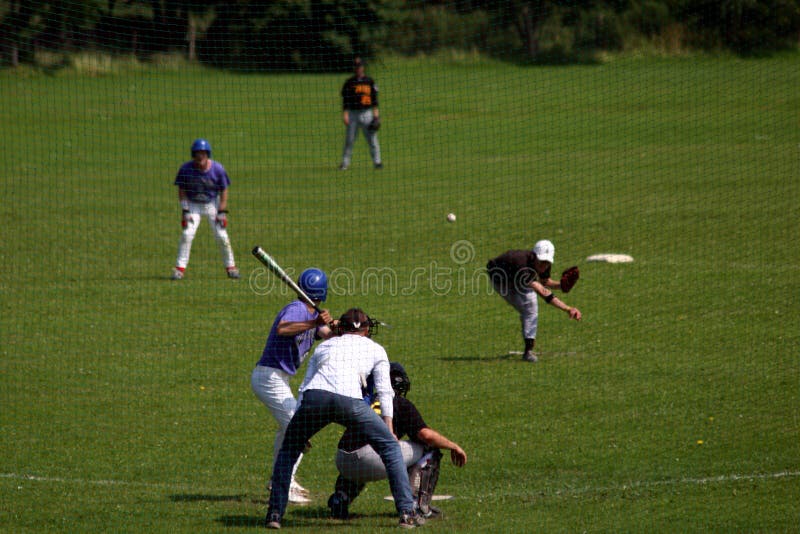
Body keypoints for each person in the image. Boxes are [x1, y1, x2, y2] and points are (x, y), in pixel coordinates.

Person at [264, 308, 424, 529]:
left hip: (315, 399)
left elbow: (304, 387)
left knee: (289, 451)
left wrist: (298, 425)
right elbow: (385, 391)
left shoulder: (325, 346)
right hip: (350, 402)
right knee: (390, 448)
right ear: (366, 329)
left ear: (342, 328)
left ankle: (274, 514)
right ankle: (407, 513)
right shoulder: (376, 349)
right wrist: (388, 427)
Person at [328, 362, 467, 521]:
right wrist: (453, 446)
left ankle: (340, 499)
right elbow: (426, 435)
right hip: (369, 460)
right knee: (430, 449)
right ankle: (417, 505)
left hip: (342, 460)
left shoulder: (366, 402)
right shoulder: (399, 403)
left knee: (357, 451)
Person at [251, 268, 334, 504]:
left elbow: (327, 333)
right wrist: (313, 322)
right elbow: (283, 328)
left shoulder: (310, 313)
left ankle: (279, 479)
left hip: (278, 379)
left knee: (288, 430)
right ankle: (283, 483)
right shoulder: (298, 309)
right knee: (299, 431)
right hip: (268, 378)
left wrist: (342, 326)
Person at [487, 239, 582, 363]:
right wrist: (567, 308)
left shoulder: (543, 263)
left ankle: (528, 351)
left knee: (531, 307)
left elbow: (545, 282)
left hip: (516, 276)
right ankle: (528, 352)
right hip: (501, 280)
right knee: (529, 307)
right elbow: (543, 292)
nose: (544, 265)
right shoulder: (522, 265)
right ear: (534, 256)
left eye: (547, 262)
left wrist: (561, 285)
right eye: (542, 261)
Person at [171, 138, 239, 280]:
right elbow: (181, 189)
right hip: (193, 204)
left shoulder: (217, 169)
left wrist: (221, 211)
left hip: (211, 204)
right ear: (193, 155)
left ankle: (231, 267)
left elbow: (224, 189)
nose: (200, 157)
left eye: (202, 153)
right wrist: (185, 210)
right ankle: (179, 269)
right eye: (197, 154)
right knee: (187, 235)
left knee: (222, 236)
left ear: (207, 154)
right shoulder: (186, 169)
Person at [339, 57, 382, 170]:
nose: (358, 68)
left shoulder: (370, 81)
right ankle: (345, 163)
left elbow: (375, 100)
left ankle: (377, 162)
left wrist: (376, 116)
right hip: (353, 114)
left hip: (367, 113)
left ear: (363, 67)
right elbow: (345, 100)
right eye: (356, 66)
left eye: (360, 66)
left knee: (372, 139)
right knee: (349, 140)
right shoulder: (349, 82)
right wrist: (345, 114)